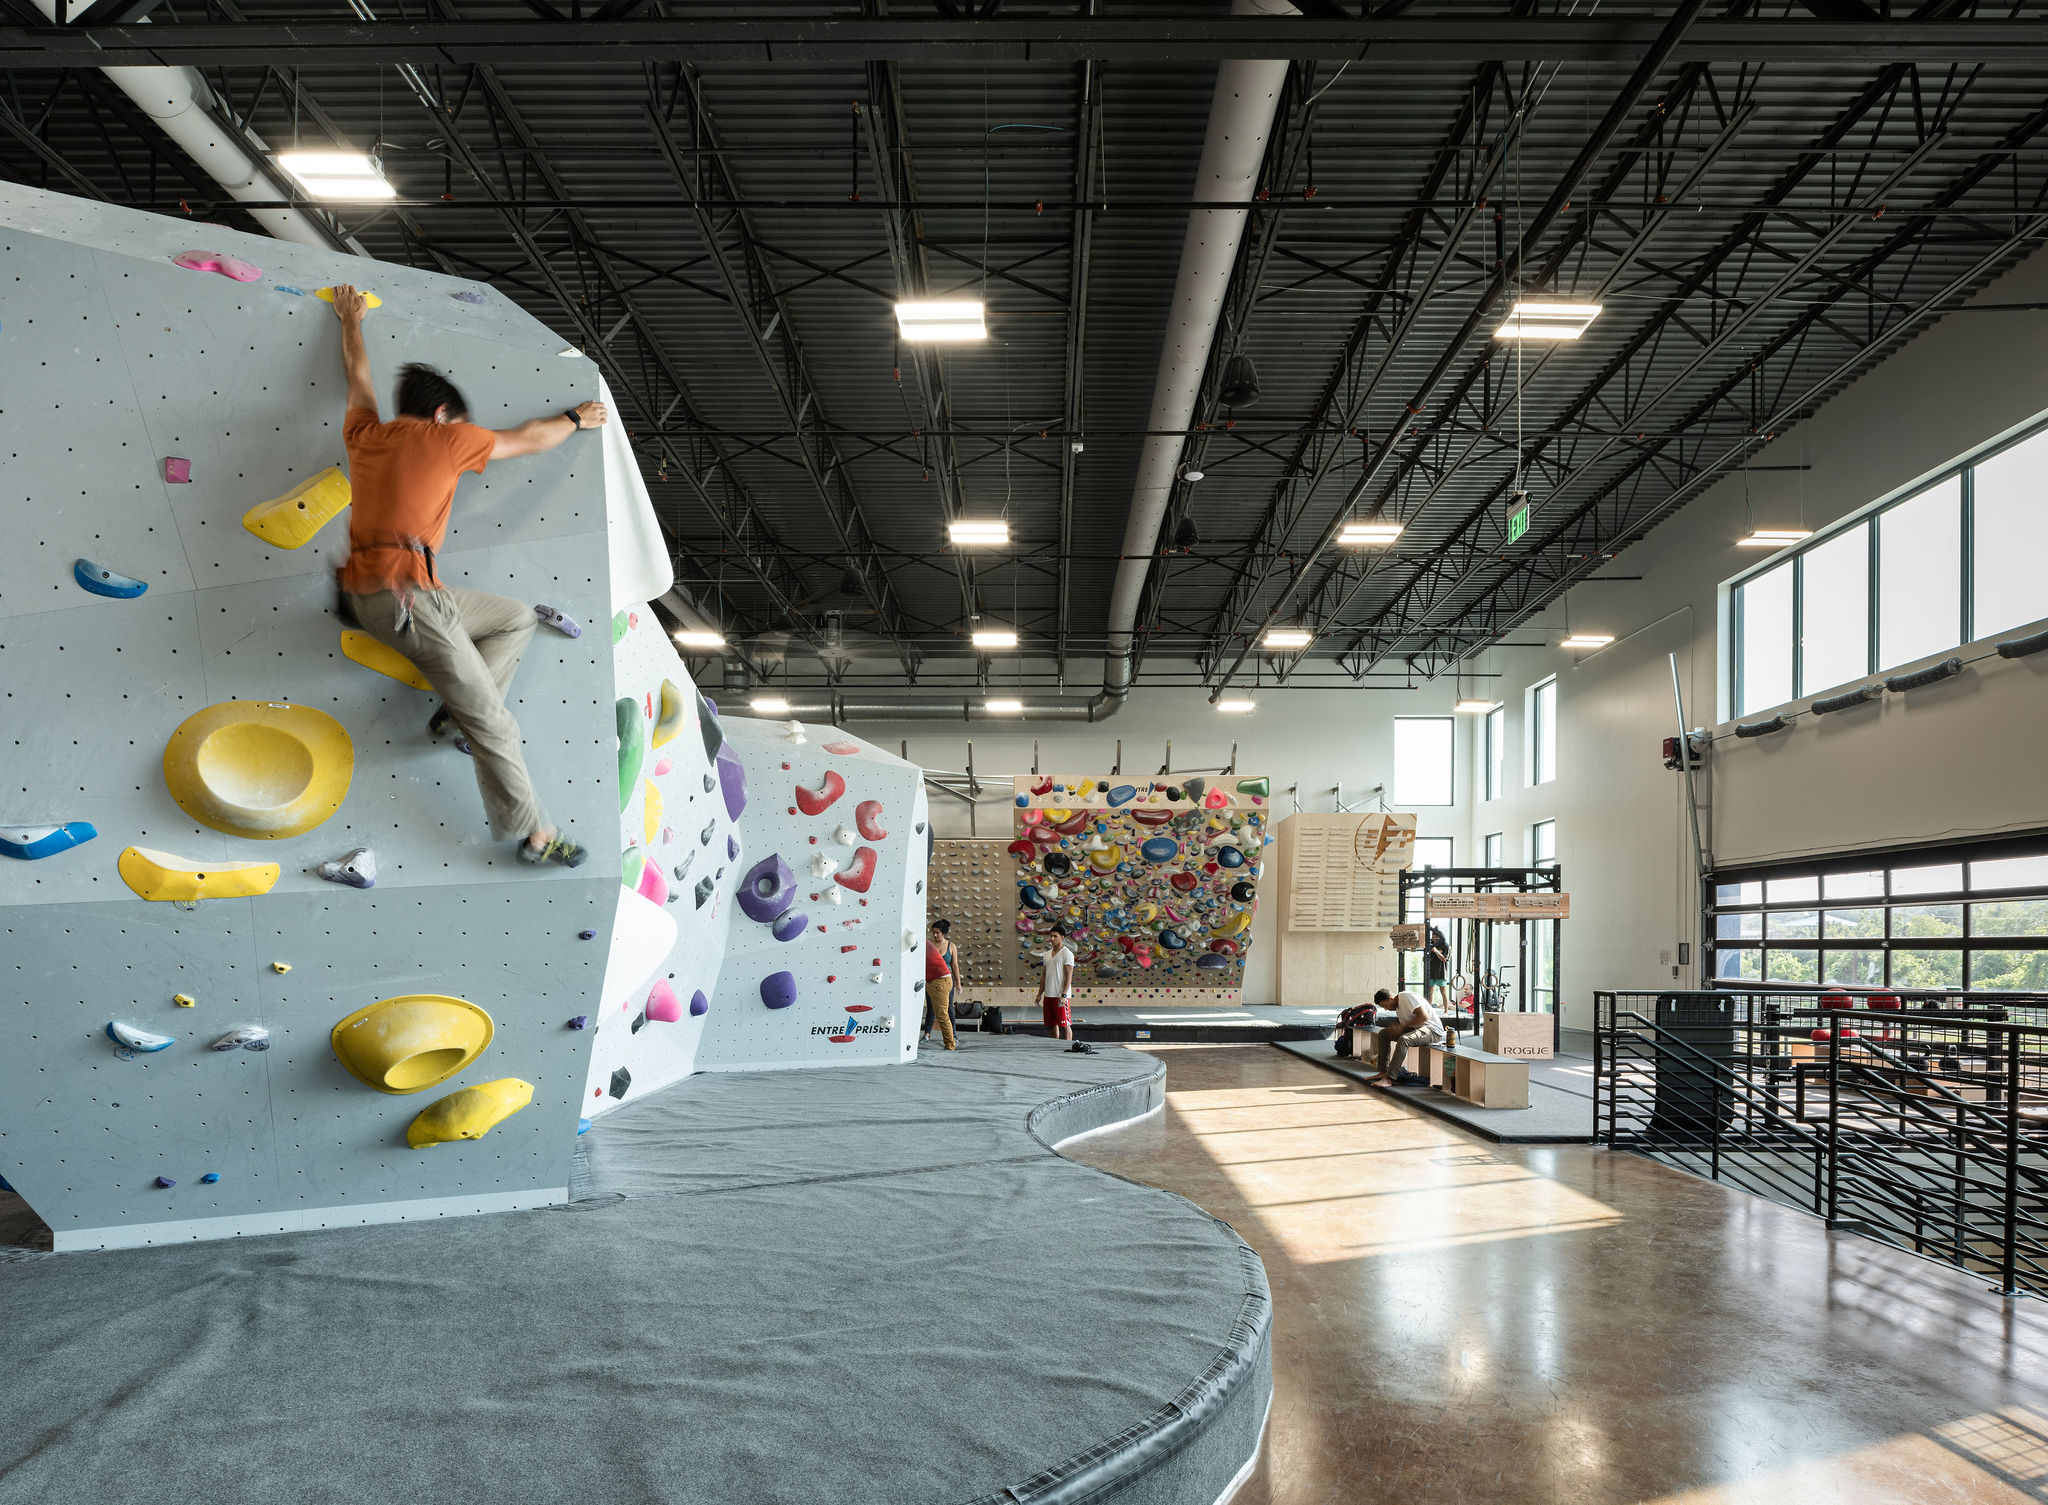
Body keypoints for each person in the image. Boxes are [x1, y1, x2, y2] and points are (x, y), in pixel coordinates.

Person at [330, 285, 599, 868]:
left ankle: (454, 711)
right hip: (409, 601)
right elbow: (530, 438)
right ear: (443, 413)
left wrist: (350, 321)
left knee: (513, 618)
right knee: (495, 723)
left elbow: (358, 379)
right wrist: (577, 417)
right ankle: (535, 832)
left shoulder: (366, 435)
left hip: (374, 594)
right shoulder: (447, 437)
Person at [1365, 986, 1445, 1087]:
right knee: (1384, 1034)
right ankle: (1383, 1072)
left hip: (1432, 1030)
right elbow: (1410, 1025)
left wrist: (1402, 1027)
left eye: (1386, 1005)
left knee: (1404, 1039)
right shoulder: (1398, 1007)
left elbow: (1424, 1017)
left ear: (1391, 998)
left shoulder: (1407, 997)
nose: (1386, 1009)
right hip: (1417, 1029)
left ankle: (1389, 1078)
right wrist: (1398, 1029)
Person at [1037, 923, 1076, 1044]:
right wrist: (1039, 994)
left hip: (1060, 995)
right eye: (1051, 936)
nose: (1052, 939)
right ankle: (1054, 1047)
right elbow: (1044, 976)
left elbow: (1069, 975)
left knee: (1065, 1024)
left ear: (1062, 937)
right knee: (1052, 1024)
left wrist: (1064, 995)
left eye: (1055, 936)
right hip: (1049, 995)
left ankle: (1068, 1046)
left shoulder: (1067, 953)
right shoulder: (1046, 954)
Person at [923, 928, 957, 1051]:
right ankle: (930, 1035)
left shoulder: (923, 945)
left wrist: (958, 983)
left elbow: (954, 965)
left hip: (940, 981)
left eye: (938, 932)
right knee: (938, 1012)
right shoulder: (926, 944)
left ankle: (950, 1045)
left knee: (942, 1014)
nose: (935, 935)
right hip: (935, 980)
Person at [1424, 924, 1452, 1010]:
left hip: (1441, 972)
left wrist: (1436, 952)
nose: (1434, 939)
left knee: (1443, 991)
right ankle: (1429, 1010)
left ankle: (1446, 1011)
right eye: (1433, 937)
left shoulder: (1445, 945)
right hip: (1431, 971)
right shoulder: (1430, 944)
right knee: (1430, 992)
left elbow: (1444, 959)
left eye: (1436, 938)